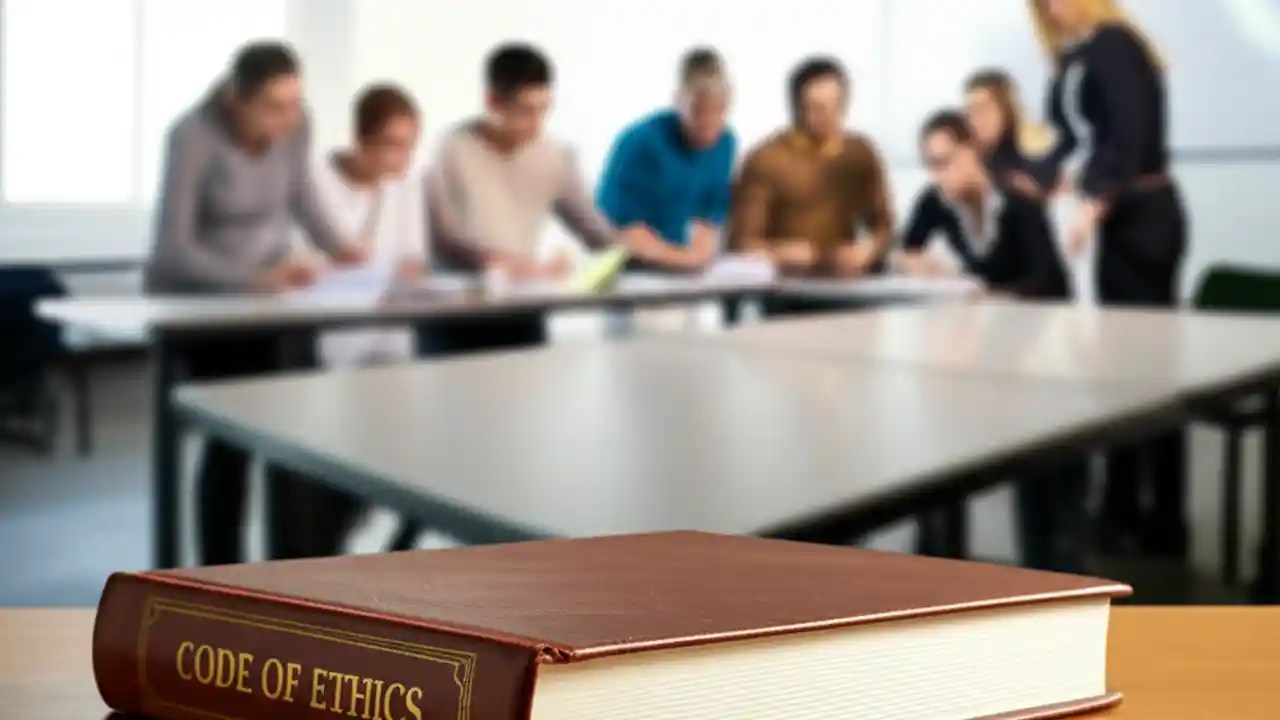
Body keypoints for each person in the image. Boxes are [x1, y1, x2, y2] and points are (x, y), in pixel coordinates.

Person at [145, 41, 368, 564]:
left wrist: (342, 247)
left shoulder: (295, 124)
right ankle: (219, 571)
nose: (289, 120)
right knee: (233, 448)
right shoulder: (192, 136)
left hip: (275, 307)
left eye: (295, 104)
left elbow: (303, 196)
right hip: (209, 310)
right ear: (235, 101)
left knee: (299, 434)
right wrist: (254, 279)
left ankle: (296, 565)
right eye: (274, 107)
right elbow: (172, 253)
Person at [1030, 0, 1188, 557]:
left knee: (1150, 376)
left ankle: (1163, 519)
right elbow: (1074, 140)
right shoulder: (1076, 58)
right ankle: (1123, 508)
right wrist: (1041, 178)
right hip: (1122, 221)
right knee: (1122, 373)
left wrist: (1093, 203)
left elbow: (1127, 134)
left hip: (1144, 218)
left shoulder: (1116, 45)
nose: (1051, 7)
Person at [902, 111, 1084, 571]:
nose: (937, 174)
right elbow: (908, 248)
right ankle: (937, 557)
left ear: (972, 152)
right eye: (930, 164)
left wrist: (987, 294)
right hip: (985, 344)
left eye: (945, 161)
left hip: (1041, 344)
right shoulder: (938, 201)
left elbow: (1047, 281)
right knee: (936, 417)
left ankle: (1051, 556)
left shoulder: (1019, 203)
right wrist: (921, 265)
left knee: (1038, 444)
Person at [424, 43, 618, 352]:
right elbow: (445, 242)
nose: (536, 124)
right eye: (525, 111)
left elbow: (597, 233)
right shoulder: (450, 149)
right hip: (456, 315)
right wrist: (513, 265)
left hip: (521, 313)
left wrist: (625, 246)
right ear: (492, 102)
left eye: (544, 110)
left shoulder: (555, 156)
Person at [730, 57, 893, 313]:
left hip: (847, 290)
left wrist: (868, 250)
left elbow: (884, 225)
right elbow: (741, 243)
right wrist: (779, 253)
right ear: (796, 107)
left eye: (836, 107)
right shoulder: (766, 159)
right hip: (786, 293)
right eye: (817, 108)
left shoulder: (860, 152)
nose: (829, 117)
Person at [315, 84, 427, 368]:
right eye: (392, 145)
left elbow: (412, 262)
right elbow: (310, 268)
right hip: (330, 334)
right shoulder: (315, 183)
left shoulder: (405, 188)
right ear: (359, 139)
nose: (403, 159)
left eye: (409, 146)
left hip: (390, 334)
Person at [596, 48, 737, 274]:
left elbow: (707, 221)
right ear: (677, 101)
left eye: (718, 111)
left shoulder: (725, 143)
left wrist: (698, 256)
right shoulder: (641, 142)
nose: (709, 124)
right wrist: (686, 260)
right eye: (698, 111)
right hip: (630, 271)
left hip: (683, 273)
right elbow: (623, 230)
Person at [964, 70, 1063, 201]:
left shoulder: (1039, 154)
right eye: (970, 112)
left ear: (1005, 107)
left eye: (982, 109)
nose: (975, 120)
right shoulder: (975, 164)